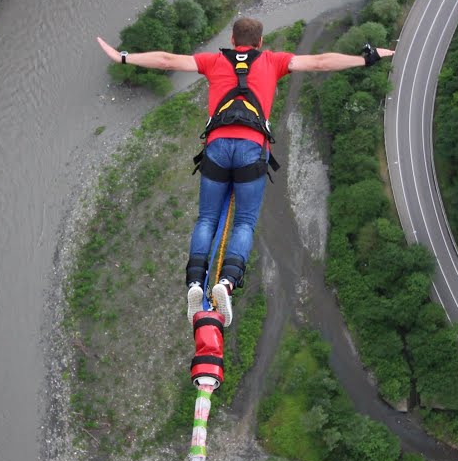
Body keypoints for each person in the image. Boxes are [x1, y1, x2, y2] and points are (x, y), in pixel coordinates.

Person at [96, 17, 393, 327]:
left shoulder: (213, 61)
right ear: (260, 42)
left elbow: (167, 59)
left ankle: (196, 283)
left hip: (218, 146)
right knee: (245, 222)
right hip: (252, 149)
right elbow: (320, 62)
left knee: (208, 219)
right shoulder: (273, 61)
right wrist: (366, 57)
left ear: (232, 39)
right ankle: (225, 284)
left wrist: (123, 57)